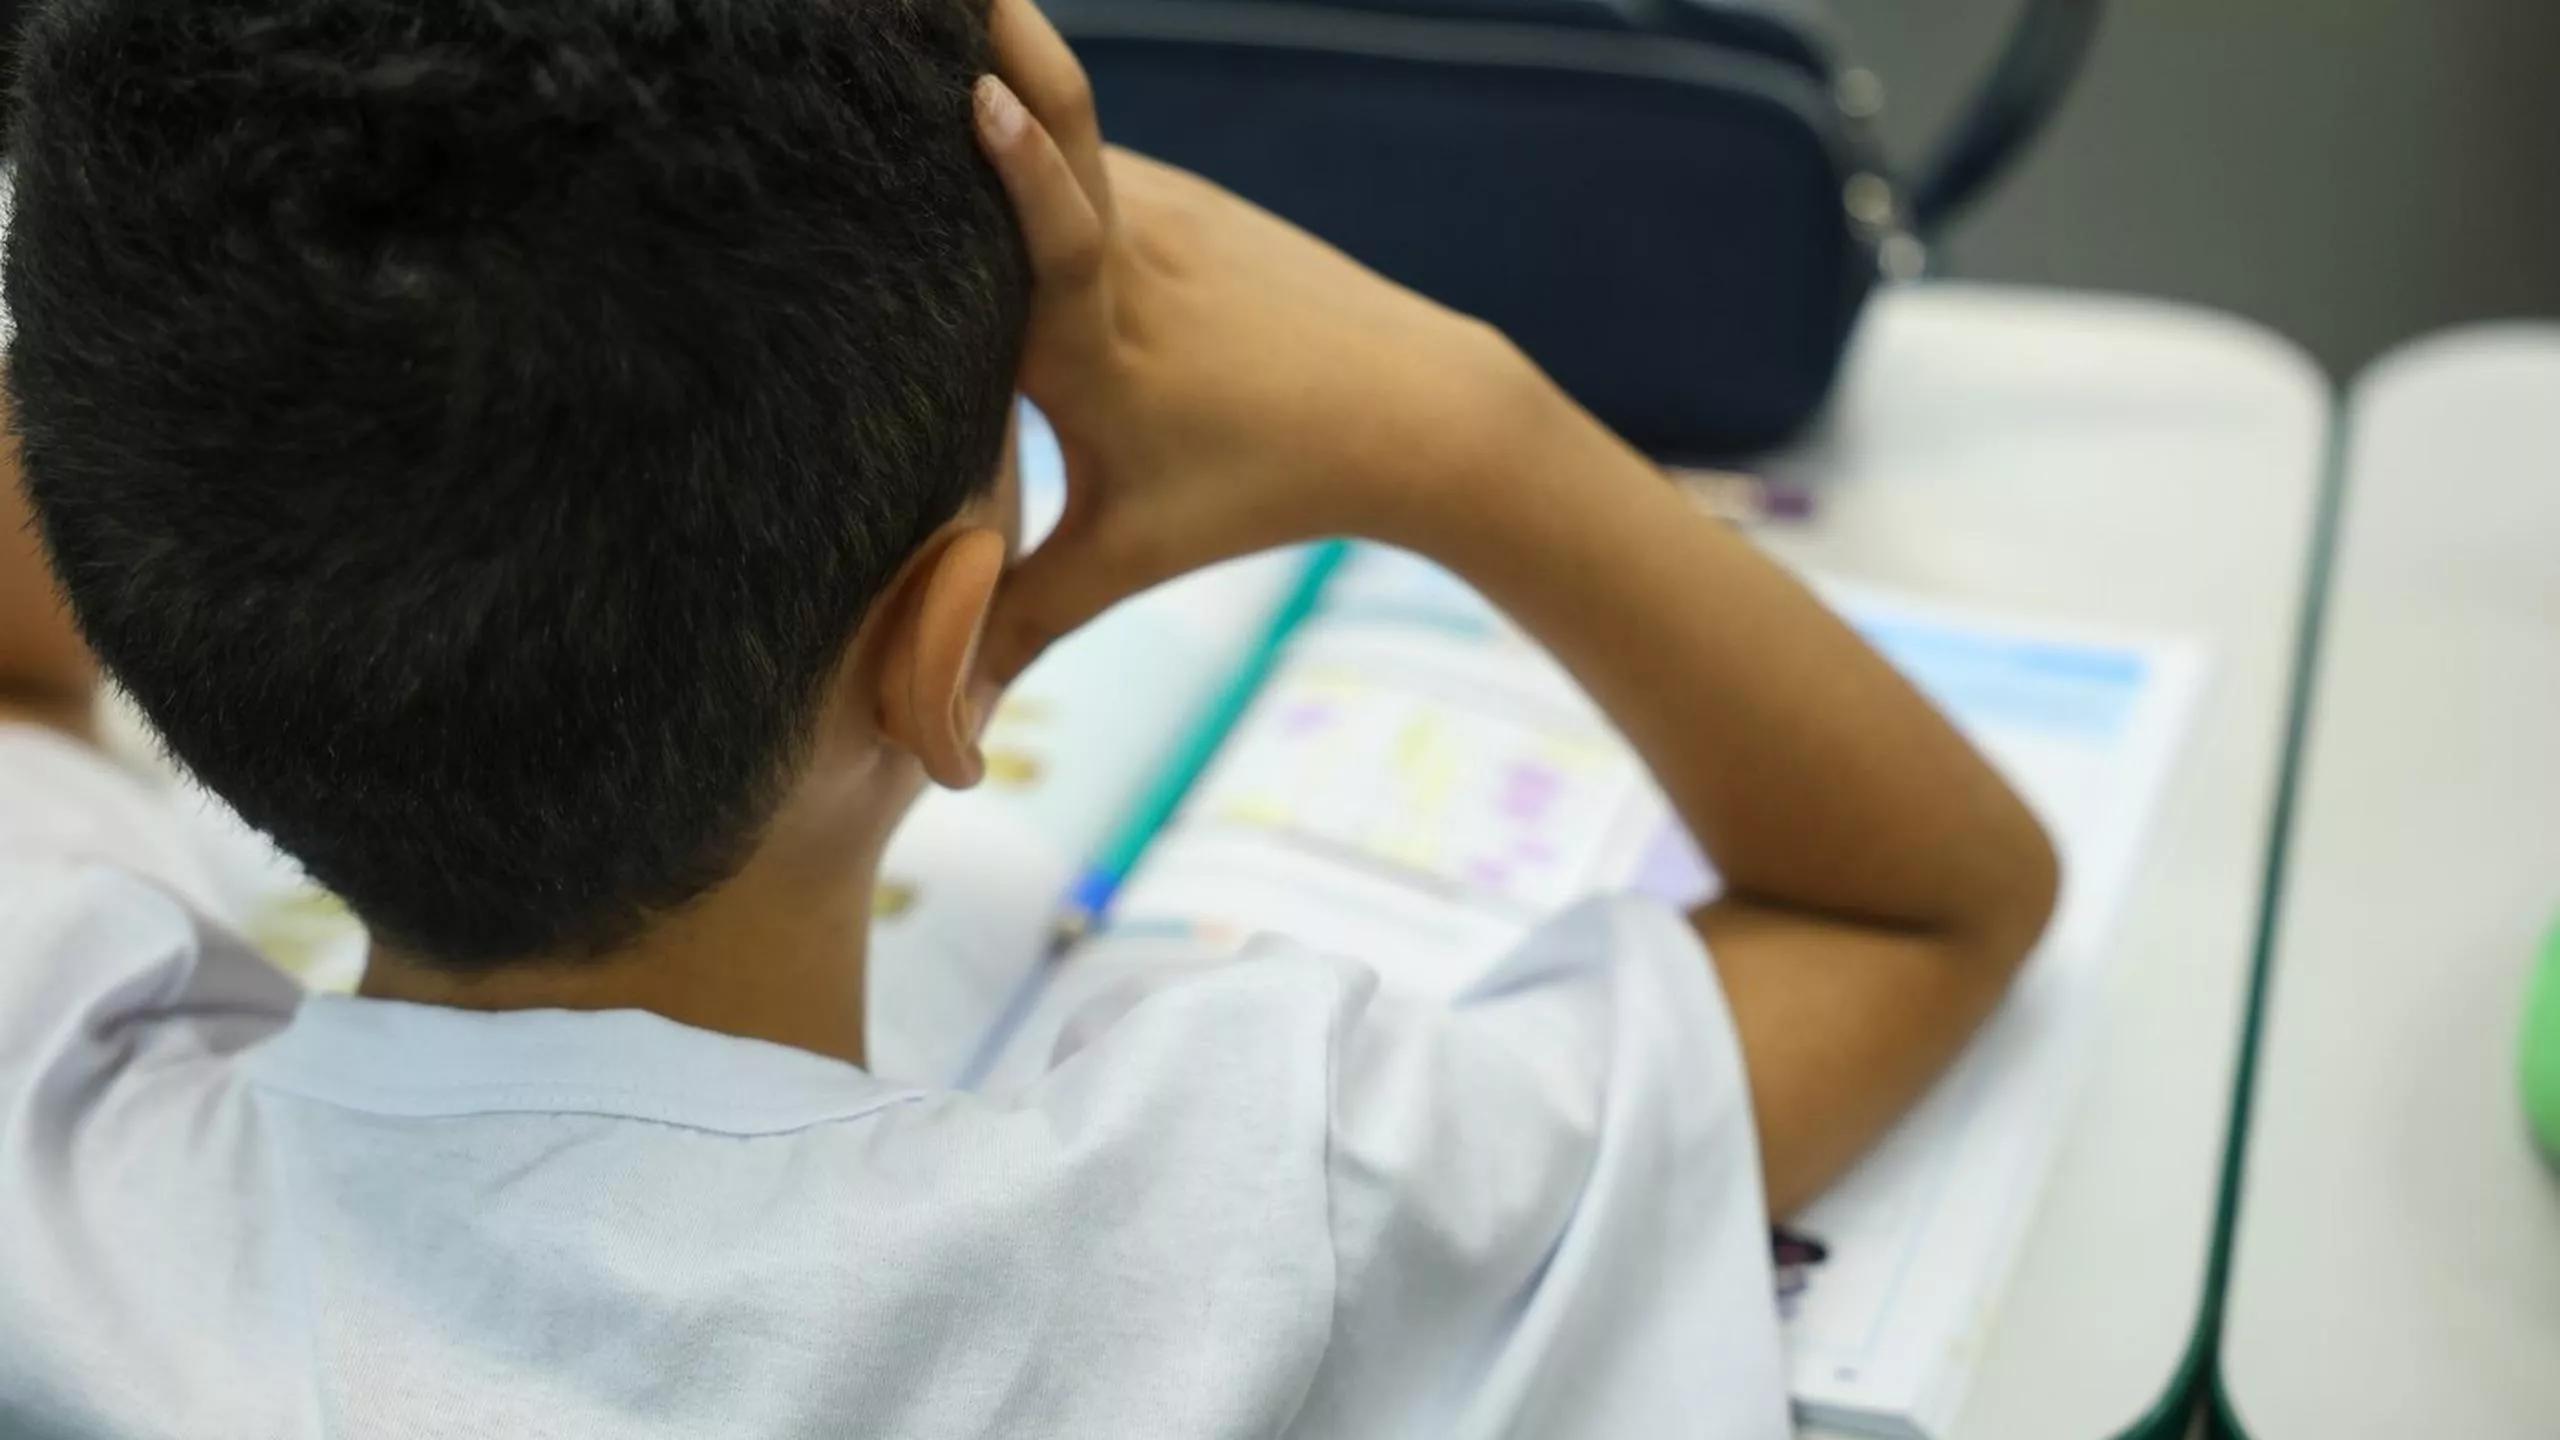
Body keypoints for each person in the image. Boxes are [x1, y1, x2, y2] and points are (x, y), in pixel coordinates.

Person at [0, 0, 2056, 1435]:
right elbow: (1920, 904)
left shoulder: (45, 1127)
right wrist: (1457, 421)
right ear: (948, 647)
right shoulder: (1244, 1231)